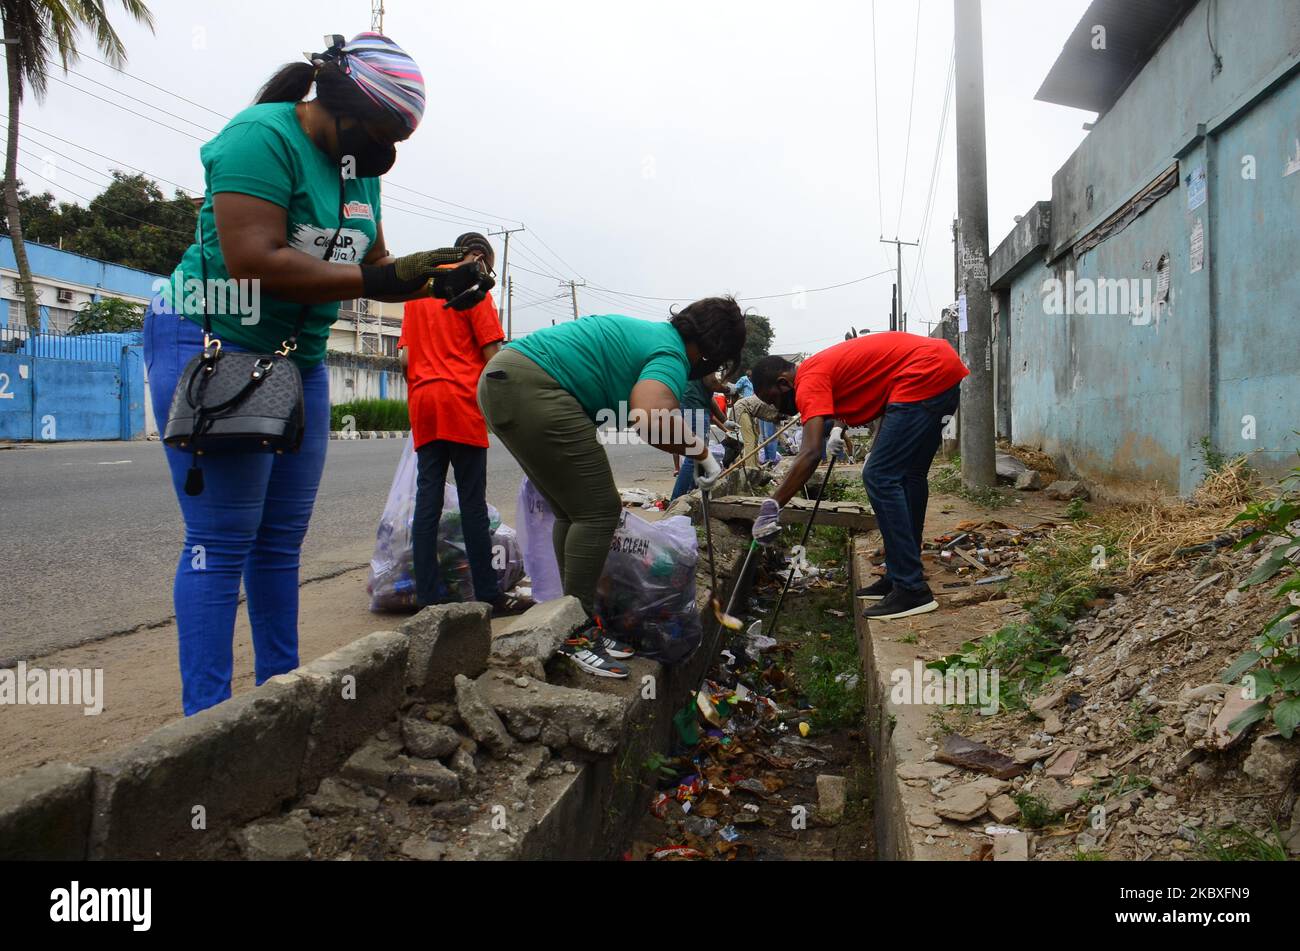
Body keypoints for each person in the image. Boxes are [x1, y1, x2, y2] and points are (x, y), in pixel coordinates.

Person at [144, 33, 486, 716]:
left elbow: (378, 262)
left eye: (398, 138)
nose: (386, 149)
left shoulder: (361, 172)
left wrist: (438, 281)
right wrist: (382, 276)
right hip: (215, 341)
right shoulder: (259, 139)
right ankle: (206, 725)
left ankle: (282, 703)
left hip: (298, 358)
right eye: (382, 129)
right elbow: (251, 259)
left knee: (278, 542)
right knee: (220, 539)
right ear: (336, 101)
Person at [478, 299, 746, 677]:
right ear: (713, 349)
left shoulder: (654, 337)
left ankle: (566, 617)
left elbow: (649, 422)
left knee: (573, 512)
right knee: (599, 511)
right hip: (533, 387)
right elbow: (649, 416)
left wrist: (694, 451)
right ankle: (577, 632)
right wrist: (702, 452)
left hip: (502, 380)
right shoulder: (670, 353)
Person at [750, 332, 969, 621]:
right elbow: (862, 391)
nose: (777, 408)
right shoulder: (818, 370)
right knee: (910, 475)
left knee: (880, 475)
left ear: (783, 383)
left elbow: (811, 453)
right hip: (940, 370)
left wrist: (773, 505)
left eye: (774, 399)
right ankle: (901, 574)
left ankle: (911, 587)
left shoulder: (807, 381)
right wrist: (838, 428)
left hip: (923, 374)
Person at [399, 232, 527, 616]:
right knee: (472, 503)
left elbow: (405, 361)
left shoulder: (419, 291)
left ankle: (427, 596)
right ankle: (489, 595)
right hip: (461, 402)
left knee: (428, 500)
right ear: (479, 258)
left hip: (424, 403)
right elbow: (494, 359)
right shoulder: (476, 287)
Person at [669, 373, 731, 501]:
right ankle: (676, 500)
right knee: (695, 456)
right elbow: (712, 383)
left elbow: (709, 398)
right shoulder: (707, 359)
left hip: (695, 408)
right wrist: (727, 389)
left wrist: (725, 421)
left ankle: (690, 495)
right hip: (694, 409)